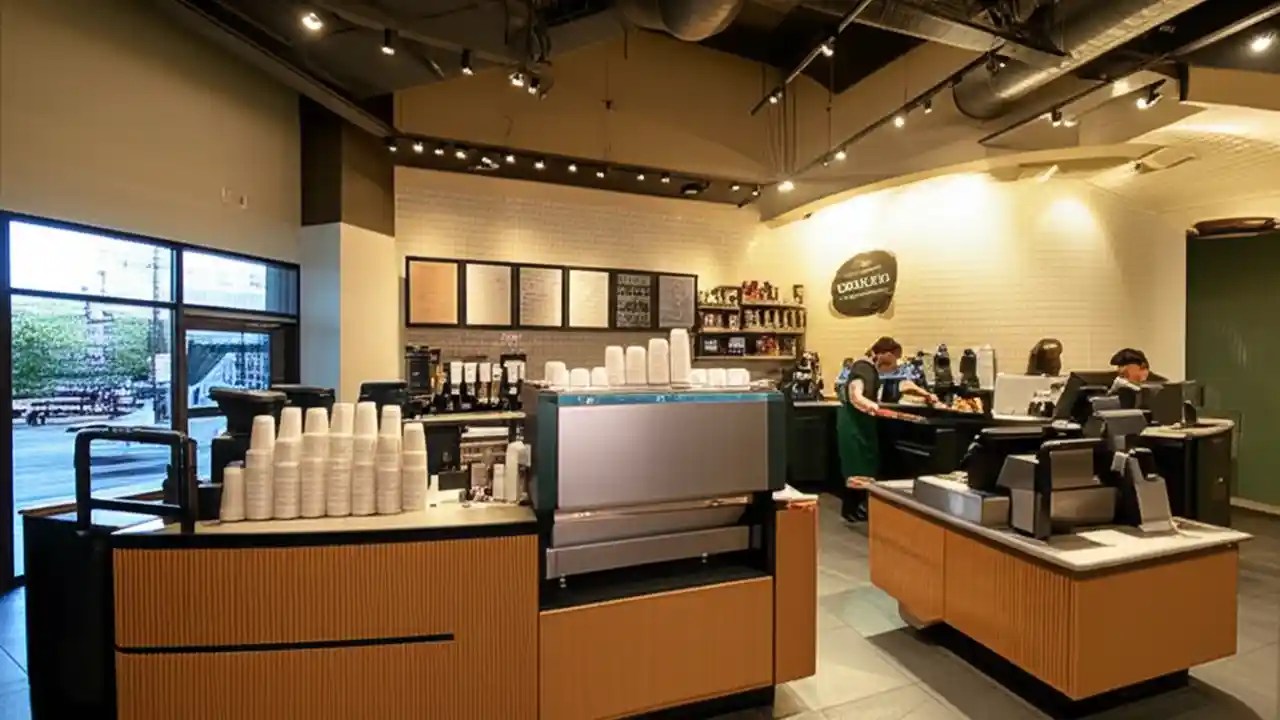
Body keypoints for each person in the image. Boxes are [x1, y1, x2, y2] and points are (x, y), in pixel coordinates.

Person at [836, 337, 937, 522]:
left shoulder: (875, 370)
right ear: (885, 354)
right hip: (855, 425)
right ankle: (854, 509)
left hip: (863, 423)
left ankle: (857, 508)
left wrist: (926, 394)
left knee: (865, 465)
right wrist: (869, 405)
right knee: (858, 464)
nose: (895, 364)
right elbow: (855, 391)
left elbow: (902, 384)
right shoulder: (863, 367)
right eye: (894, 359)